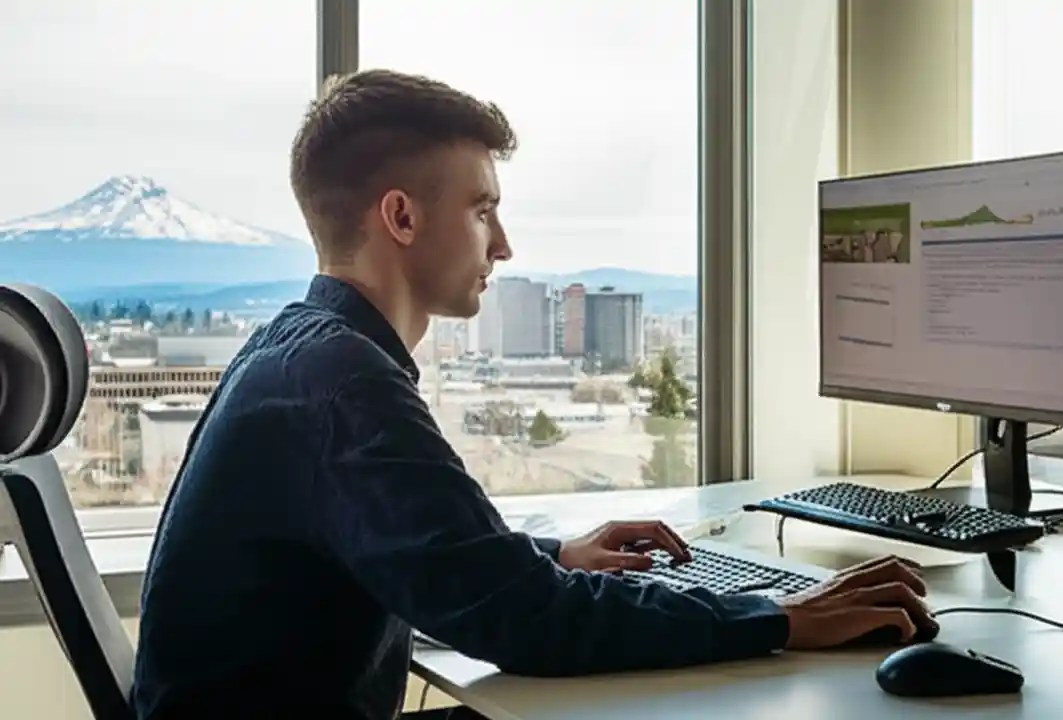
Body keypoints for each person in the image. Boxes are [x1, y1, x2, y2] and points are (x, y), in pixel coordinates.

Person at [130, 69, 936, 720]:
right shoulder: (346, 385)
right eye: (483, 211)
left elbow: (435, 557)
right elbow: (524, 621)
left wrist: (554, 556)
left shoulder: (296, 347)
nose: (504, 245)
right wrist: (783, 617)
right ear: (402, 216)